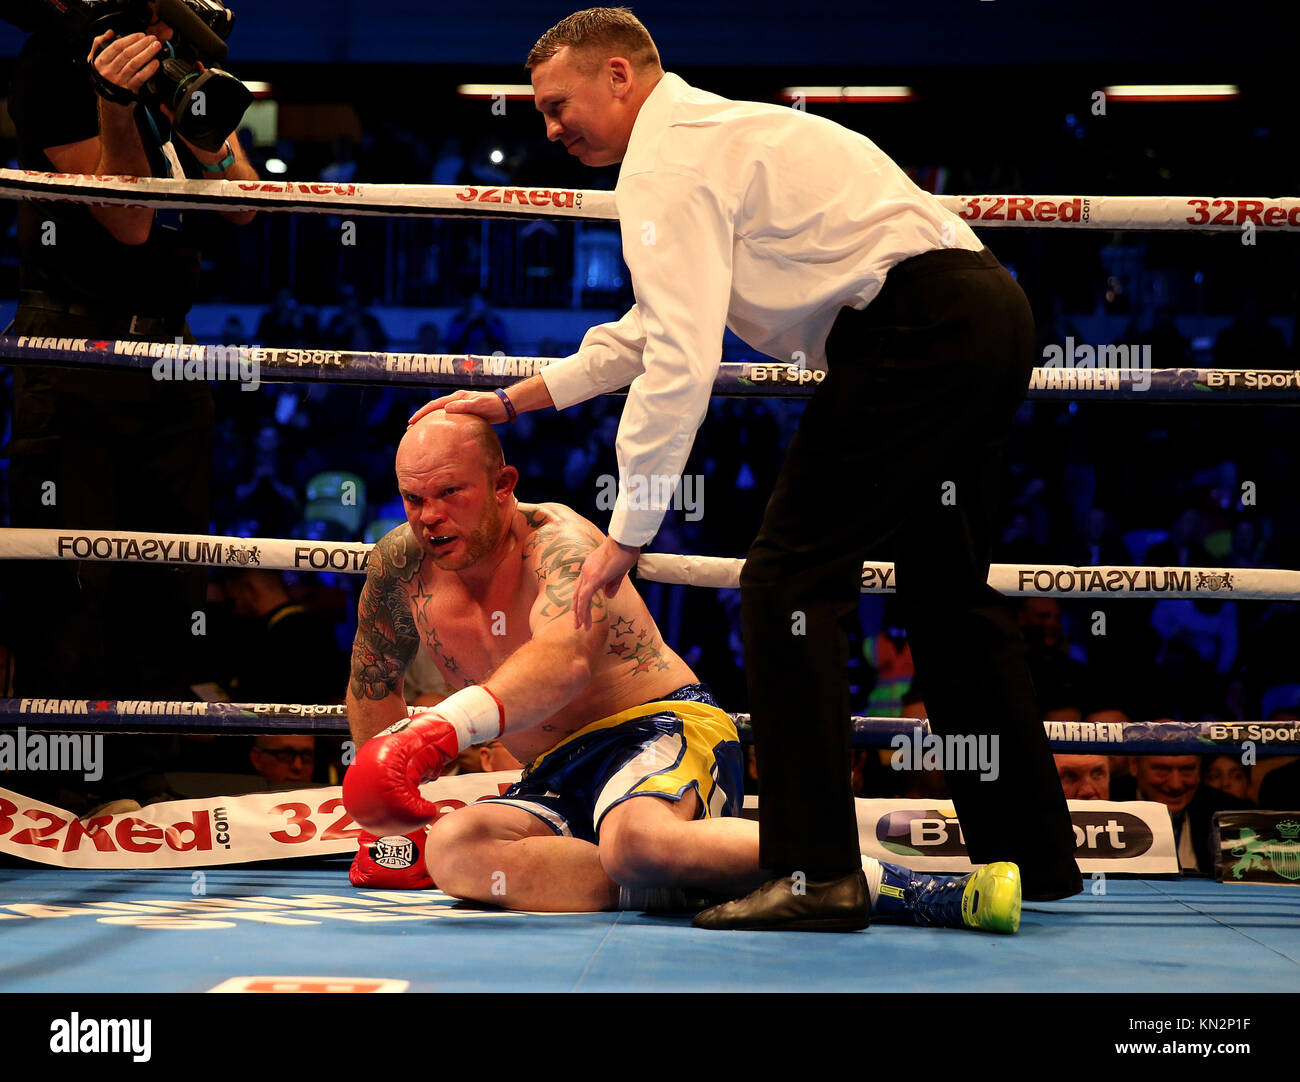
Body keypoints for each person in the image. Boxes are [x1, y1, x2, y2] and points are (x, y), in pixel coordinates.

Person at [408, 7, 1079, 929]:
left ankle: (818, 875)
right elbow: (650, 330)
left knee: (787, 582)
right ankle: (1035, 857)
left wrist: (628, 532)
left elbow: (682, 358)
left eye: (560, 104)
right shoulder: (707, 138)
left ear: (619, 76)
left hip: (914, 333)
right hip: (983, 314)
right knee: (949, 599)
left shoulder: (665, 162)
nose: (550, 127)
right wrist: (519, 400)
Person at [342, 414, 1021, 933]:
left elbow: (565, 660)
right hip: (553, 772)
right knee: (457, 849)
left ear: (502, 486)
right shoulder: (398, 567)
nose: (428, 517)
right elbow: (373, 683)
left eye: (449, 494)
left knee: (637, 839)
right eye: (412, 498)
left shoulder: (561, 545)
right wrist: (385, 828)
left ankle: (900, 885)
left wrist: (440, 729)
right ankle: (688, 878)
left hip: (658, 728)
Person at [4, 2, 257, 700]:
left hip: (172, 346)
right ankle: (62, 782)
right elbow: (129, 224)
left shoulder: (179, 66)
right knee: (74, 571)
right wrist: (115, 109)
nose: (171, 34)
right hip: (77, 342)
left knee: (170, 566)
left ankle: (144, 771)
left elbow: (246, 201)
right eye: (164, 18)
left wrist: (202, 121)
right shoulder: (56, 61)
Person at [1112, 752, 1251, 873]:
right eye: (1162, 770)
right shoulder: (1111, 805)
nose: (1175, 785)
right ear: (1134, 765)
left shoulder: (1227, 811)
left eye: (1187, 770)